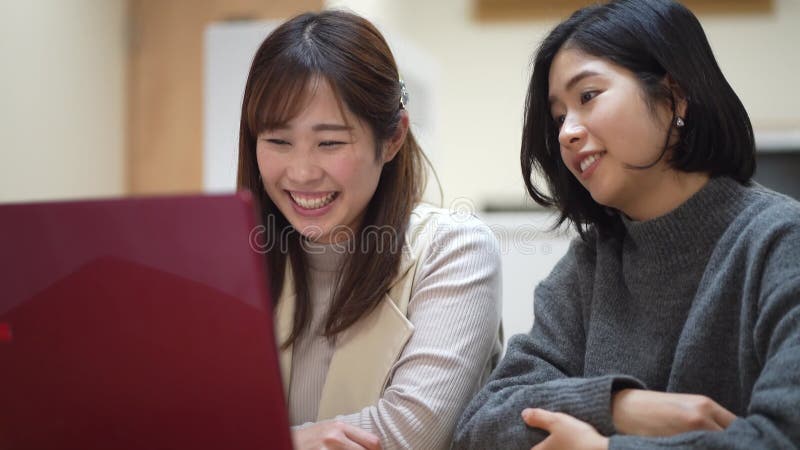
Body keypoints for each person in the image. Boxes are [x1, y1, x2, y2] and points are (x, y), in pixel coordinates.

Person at [453, 0, 800, 449]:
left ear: (674, 96)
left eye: (589, 96)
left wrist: (603, 447)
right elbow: (481, 425)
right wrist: (619, 407)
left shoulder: (780, 241)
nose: (566, 133)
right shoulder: (590, 264)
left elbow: (783, 437)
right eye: (559, 116)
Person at [236, 10, 502, 450]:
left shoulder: (455, 249)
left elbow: (410, 432)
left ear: (393, 138)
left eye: (331, 143)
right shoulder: (236, 256)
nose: (301, 172)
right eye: (278, 141)